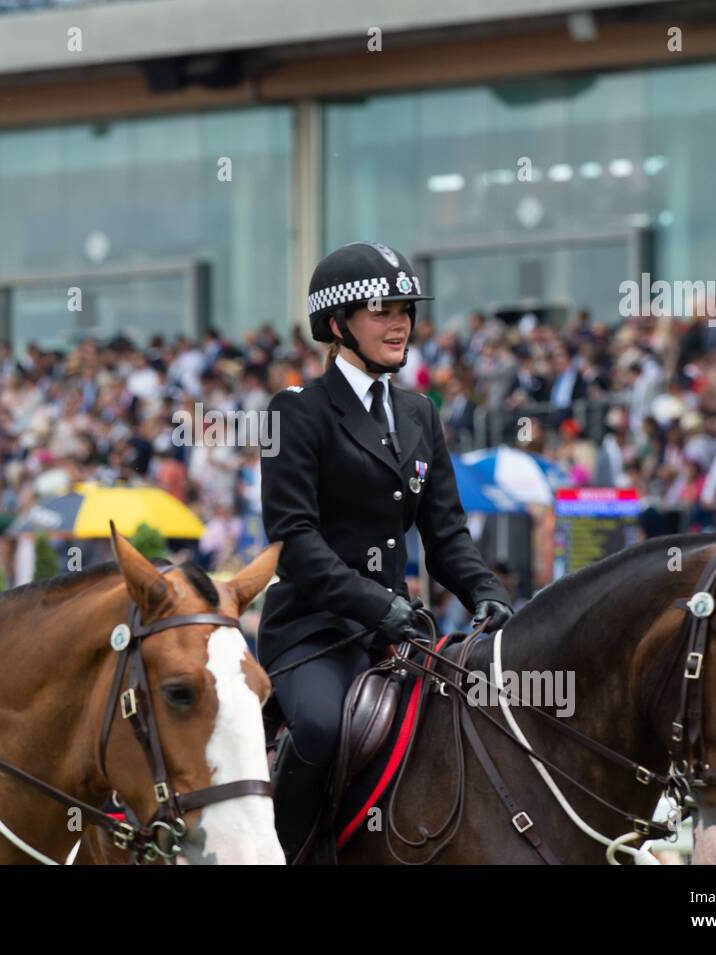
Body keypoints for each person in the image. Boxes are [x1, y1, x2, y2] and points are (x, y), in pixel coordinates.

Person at [259, 241, 514, 863]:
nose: (399, 321)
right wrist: (377, 605)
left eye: (405, 308)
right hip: (315, 630)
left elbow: (447, 532)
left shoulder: (420, 413)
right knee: (321, 728)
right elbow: (294, 542)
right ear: (338, 325)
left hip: (397, 630)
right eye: (381, 309)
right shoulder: (297, 412)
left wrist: (488, 593)